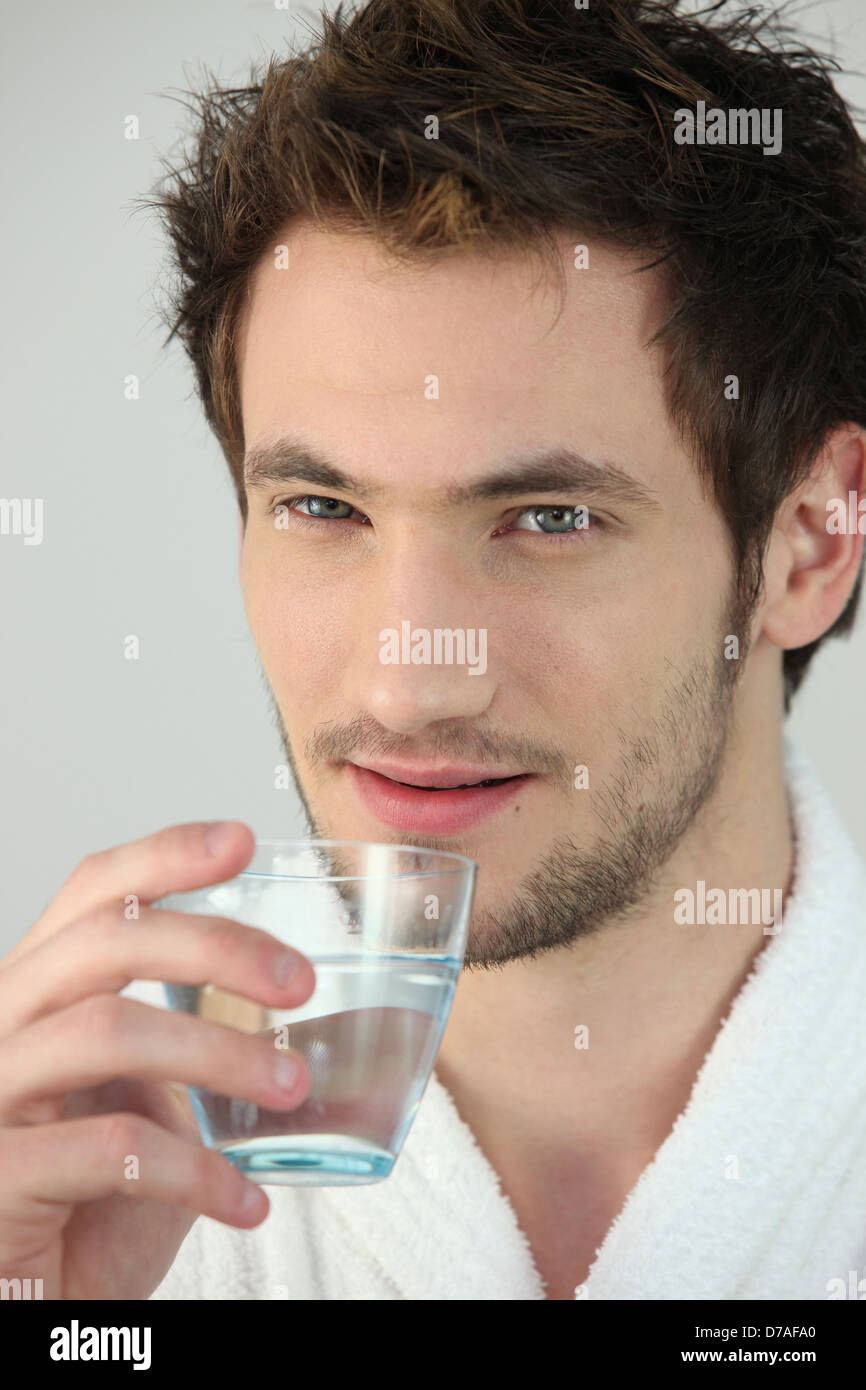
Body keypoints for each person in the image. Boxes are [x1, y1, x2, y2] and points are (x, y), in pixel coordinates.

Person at [2, 0, 864, 1302]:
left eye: (548, 517)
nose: (405, 680)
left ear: (807, 543)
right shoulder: (70, 1192)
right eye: (323, 508)